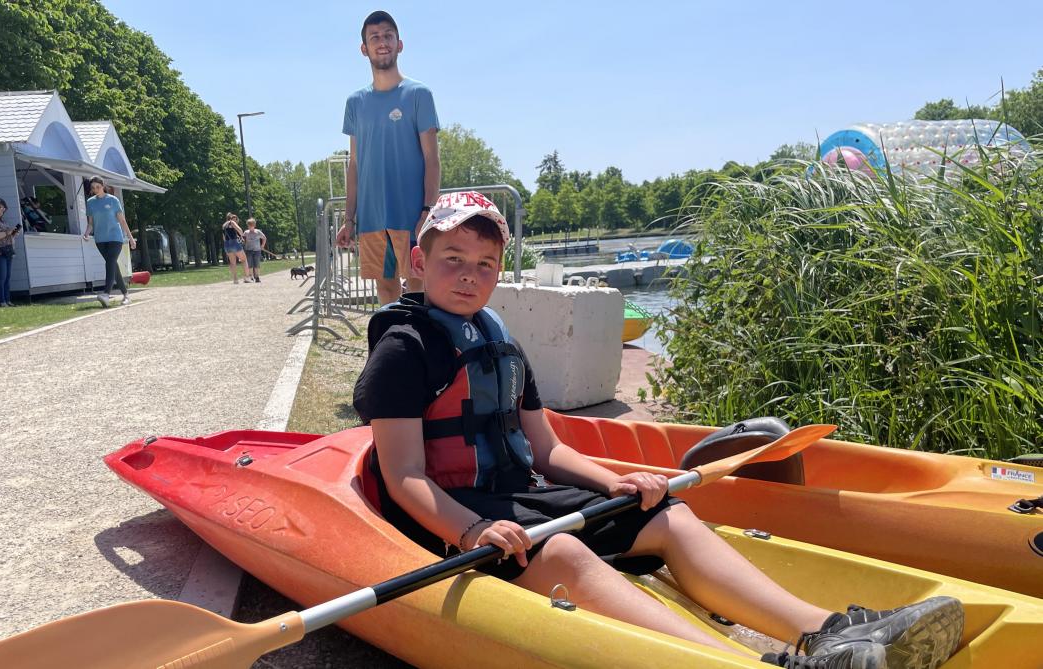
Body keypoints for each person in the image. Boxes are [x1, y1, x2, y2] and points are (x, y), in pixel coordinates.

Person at [354, 191, 964, 669]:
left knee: (668, 515)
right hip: (447, 516)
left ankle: (828, 632)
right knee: (560, 548)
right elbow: (405, 477)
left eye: (485, 264)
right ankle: (749, 664)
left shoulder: (498, 340)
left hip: (516, 496)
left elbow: (546, 448)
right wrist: (472, 530)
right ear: (420, 262)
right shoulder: (404, 349)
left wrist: (615, 483)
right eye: (453, 260)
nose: (469, 275)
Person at [336, 10, 440, 306]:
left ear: (399, 44)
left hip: (412, 215)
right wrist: (349, 219)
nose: (382, 42)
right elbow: (355, 164)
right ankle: (391, 337)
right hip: (372, 217)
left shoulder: (419, 94)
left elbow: (432, 159)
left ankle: (418, 338)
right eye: (374, 37)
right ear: (364, 48)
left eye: (388, 36)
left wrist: (427, 211)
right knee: (385, 288)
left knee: (418, 287)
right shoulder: (355, 103)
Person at [83, 176, 137, 307]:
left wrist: (130, 238)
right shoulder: (90, 202)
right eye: (93, 188)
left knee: (110, 262)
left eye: (98, 187)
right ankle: (126, 295)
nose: (96, 190)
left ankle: (106, 294)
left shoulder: (113, 200)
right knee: (113, 265)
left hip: (115, 238)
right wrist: (86, 233)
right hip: (100, 240)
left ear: (103, 186)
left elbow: (122, 221)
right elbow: (91, 223)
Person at [222, 213, 251, 284]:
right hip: (234, 243)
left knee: (233, 263)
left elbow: (224, 238)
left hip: (227, 244)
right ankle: (246, 277)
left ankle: (235, 279)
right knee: (244, 259)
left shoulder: (224, 225)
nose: (236, 221)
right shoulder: (232, 222)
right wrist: (243, 237)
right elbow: (240, 230)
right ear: (231, 218)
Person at [241, 217, 268, 283]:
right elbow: (243, 240)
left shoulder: (258, 232)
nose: (250, 226)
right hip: (248, 250)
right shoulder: (246, 232)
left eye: (251, 225)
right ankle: (251, 276)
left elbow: (264, 238)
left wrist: (262, 245)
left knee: (256, 264)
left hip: (257, 250)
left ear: (254, 225)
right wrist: (242, 241)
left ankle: (257, 277)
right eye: (249, 225)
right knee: (249, 264)